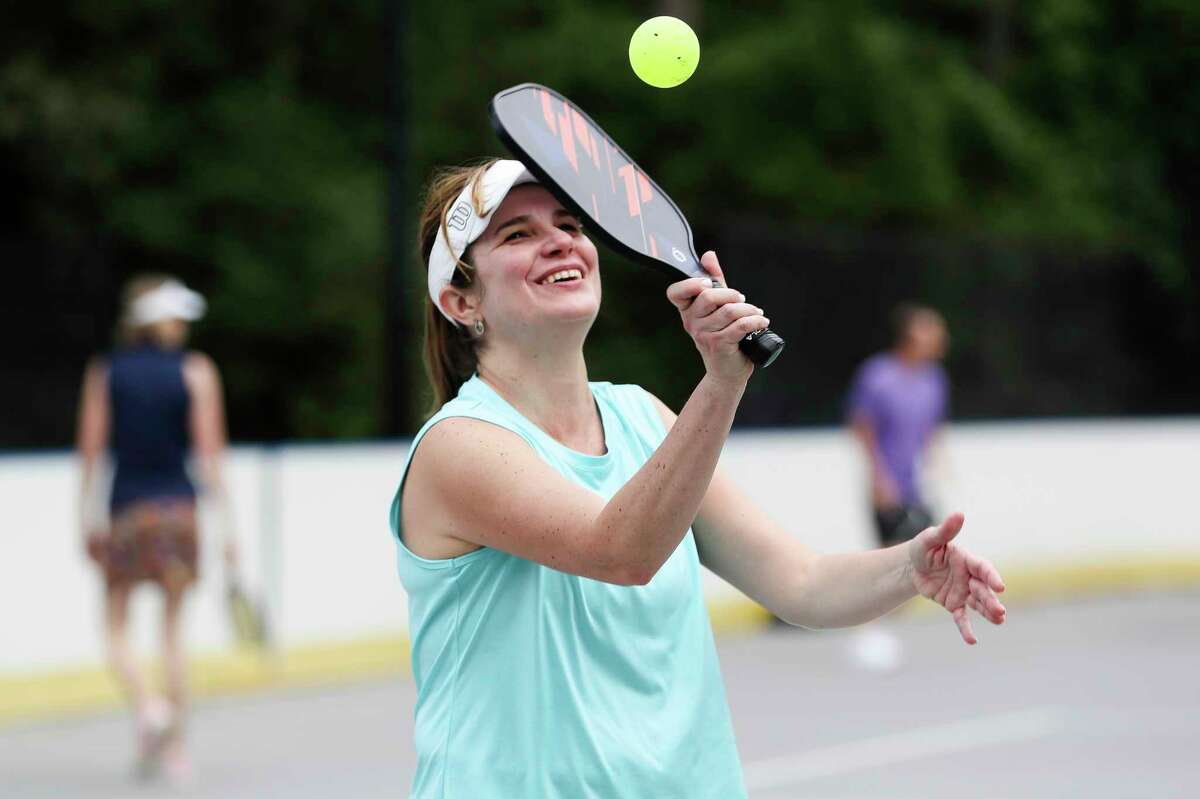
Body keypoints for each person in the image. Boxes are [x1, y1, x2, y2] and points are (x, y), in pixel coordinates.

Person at [389, 159, 1006, 797]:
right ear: (461, 301)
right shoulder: (458, 446)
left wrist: (908, 568)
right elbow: (621, 551)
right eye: (516, 234)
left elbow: (802, 583)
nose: (560, 240)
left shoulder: (643, 418)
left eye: (569, 222)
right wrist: (723, 380)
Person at [76, 274, 234, 785]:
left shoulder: (107, 372)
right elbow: (210, 458)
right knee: (172, 634)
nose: (183, 327)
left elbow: (91, 452)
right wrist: (229, 528)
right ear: (158, 321)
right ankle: (175, 753)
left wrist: (86, 515)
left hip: (127, 510)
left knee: (116, 628)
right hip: (179, 512)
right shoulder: (197, 372)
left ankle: (148, 708)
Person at [845, 303, 951, 670]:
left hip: (915, 486)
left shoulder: (933, 379)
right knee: (890, 557)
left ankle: (878, 624)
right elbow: (862, 427)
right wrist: (880, 478)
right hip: (887, 484)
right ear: (911, 335)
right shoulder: (878, 375)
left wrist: (936, 461)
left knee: (925, 558)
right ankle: (867, 628)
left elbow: (931, 427)